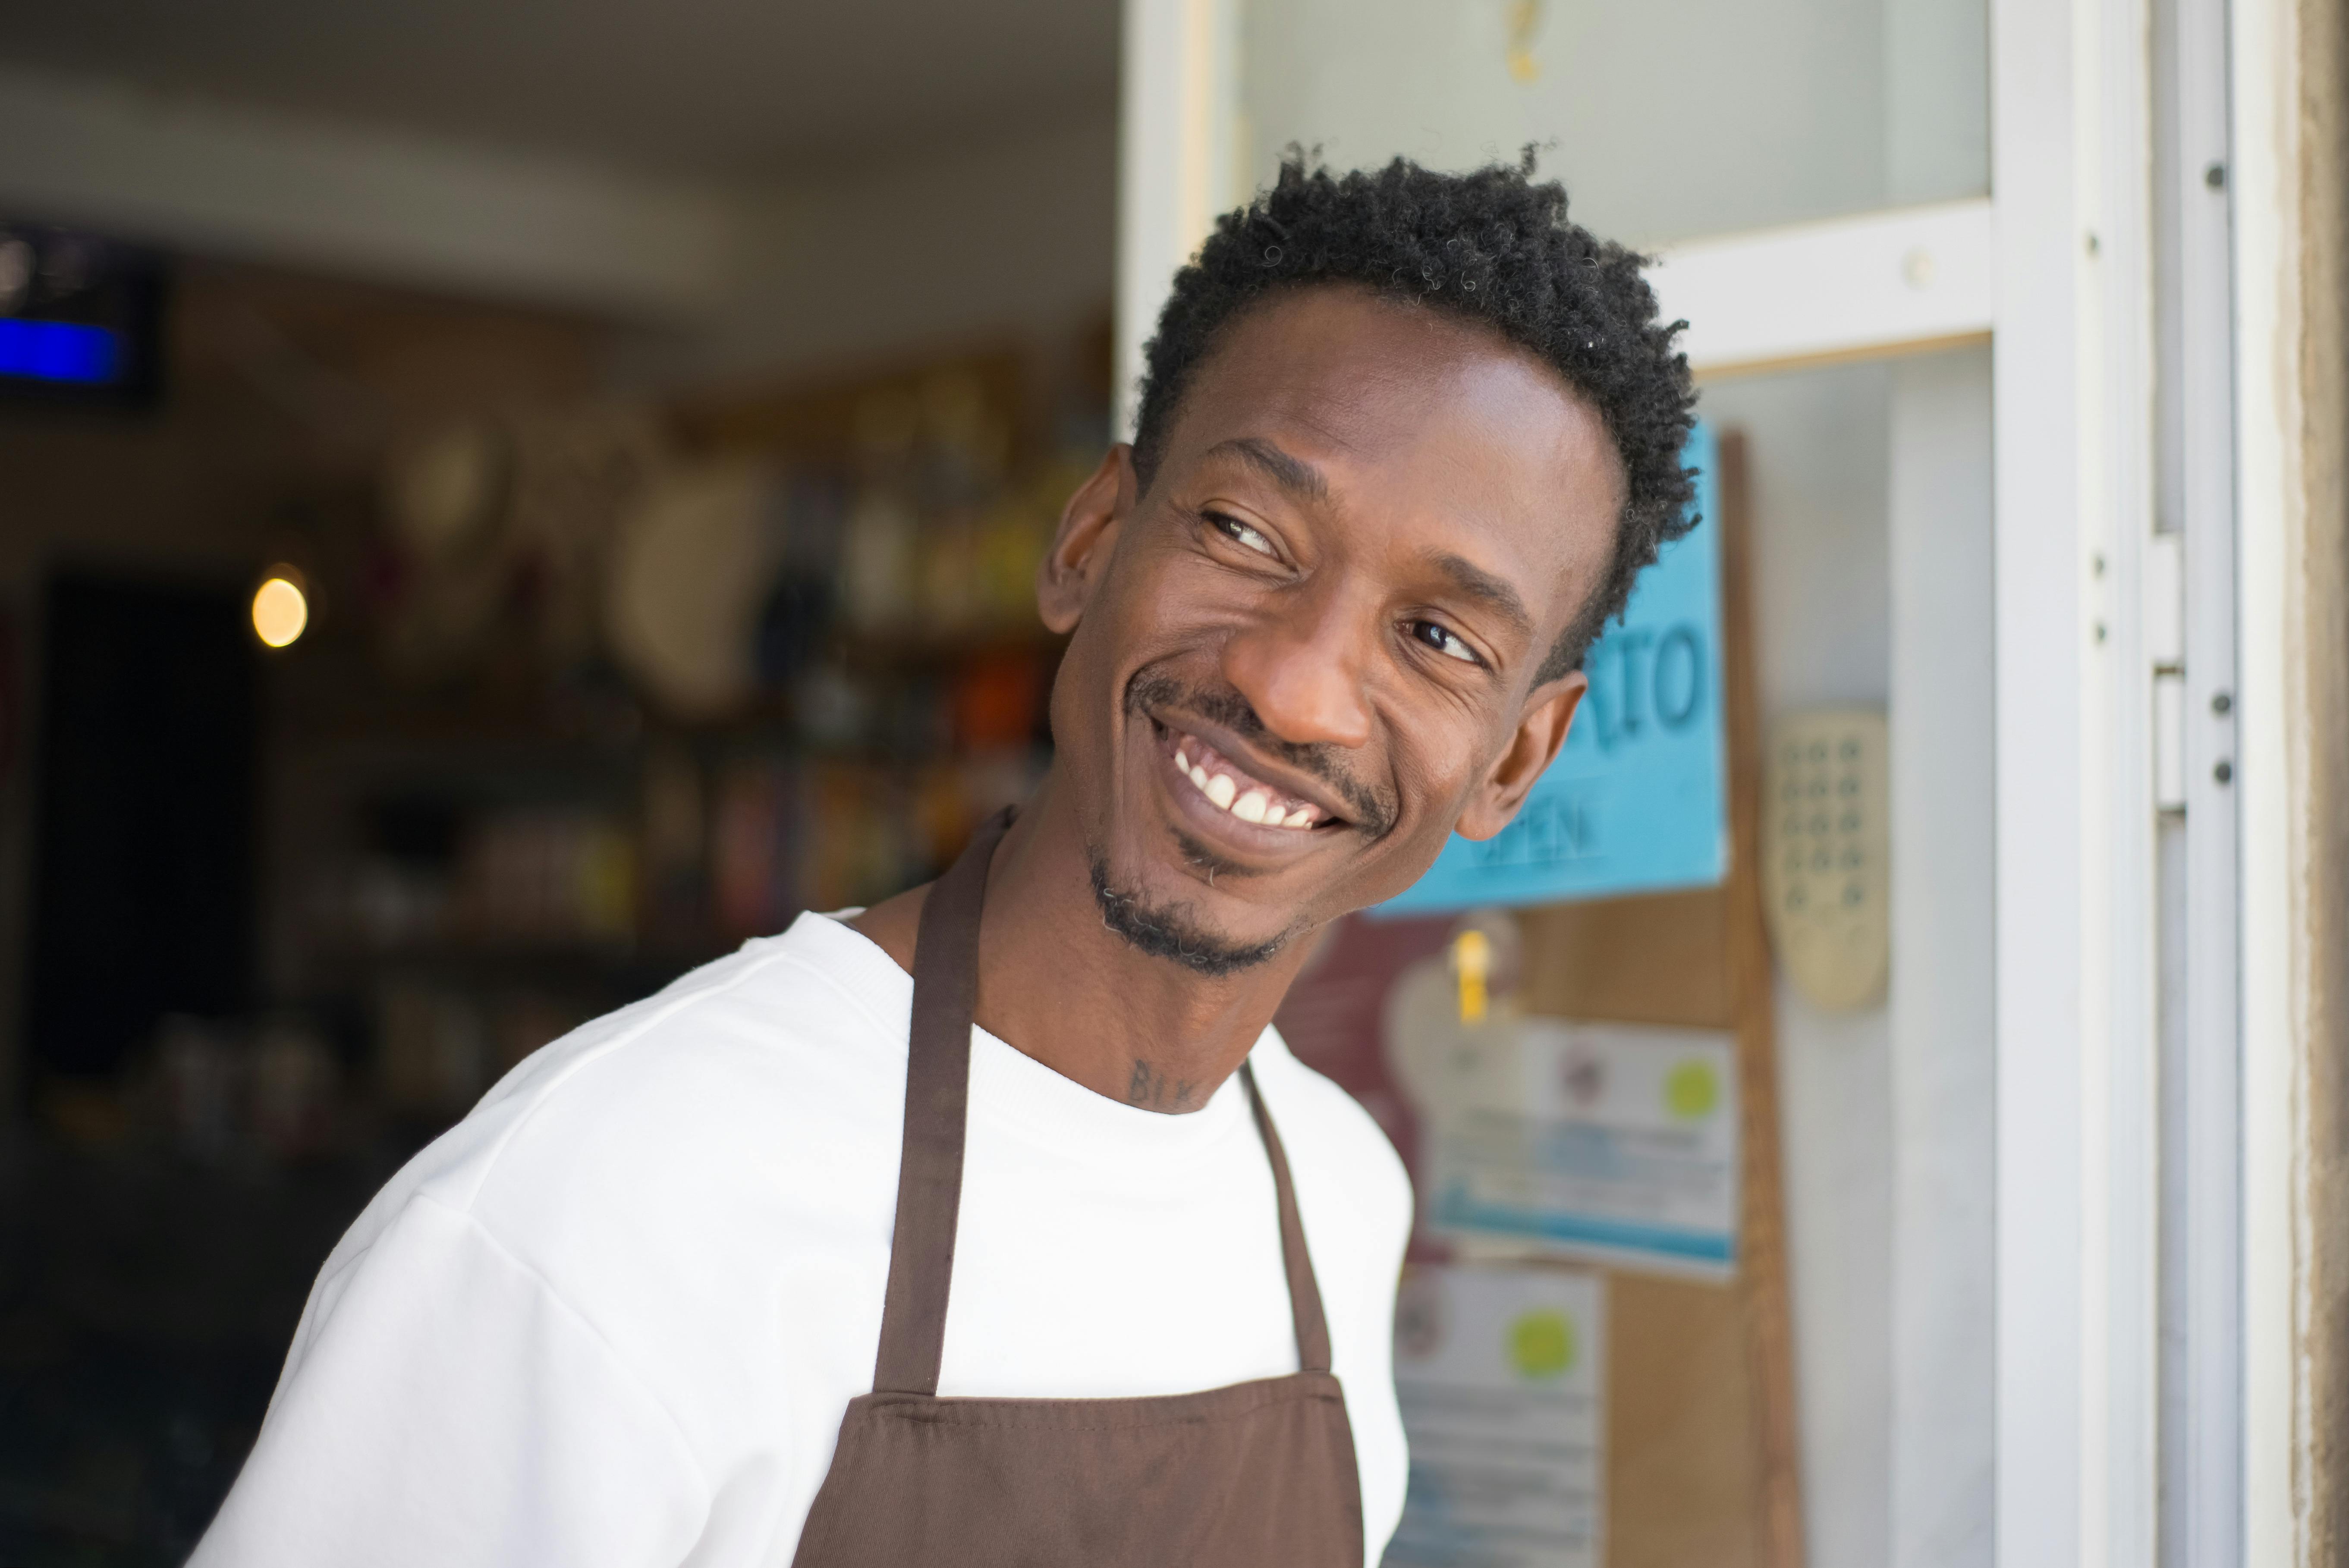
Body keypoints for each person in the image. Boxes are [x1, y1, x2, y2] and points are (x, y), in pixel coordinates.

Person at [190, 153, 1697, 1568]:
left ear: (1514, 757)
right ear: (1092, 540)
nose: (1298, 688)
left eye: (1438, 636)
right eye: (1246, 530)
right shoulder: (604, 1209)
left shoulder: (1337, 1195)